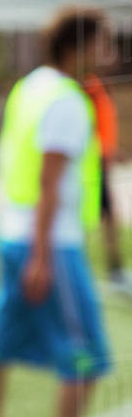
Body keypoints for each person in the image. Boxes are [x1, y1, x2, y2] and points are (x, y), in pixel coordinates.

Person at [0, 6, 113, 417]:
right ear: (79, 47)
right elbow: (49, 182)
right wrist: (42, 256)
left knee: (0, 344)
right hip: (51, 245)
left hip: (13, 235)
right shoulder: (67, 100)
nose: (109, 53)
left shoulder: (30, 86)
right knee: (87, 353)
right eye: (103, 43)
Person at [83, 71, 132, 294]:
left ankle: (115, 268)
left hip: (100, 163)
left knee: (109, 216)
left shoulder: (98, 83)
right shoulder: (85, 86)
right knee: (88, 219)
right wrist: (102, 152)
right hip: (90, 165)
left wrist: (111, 151)